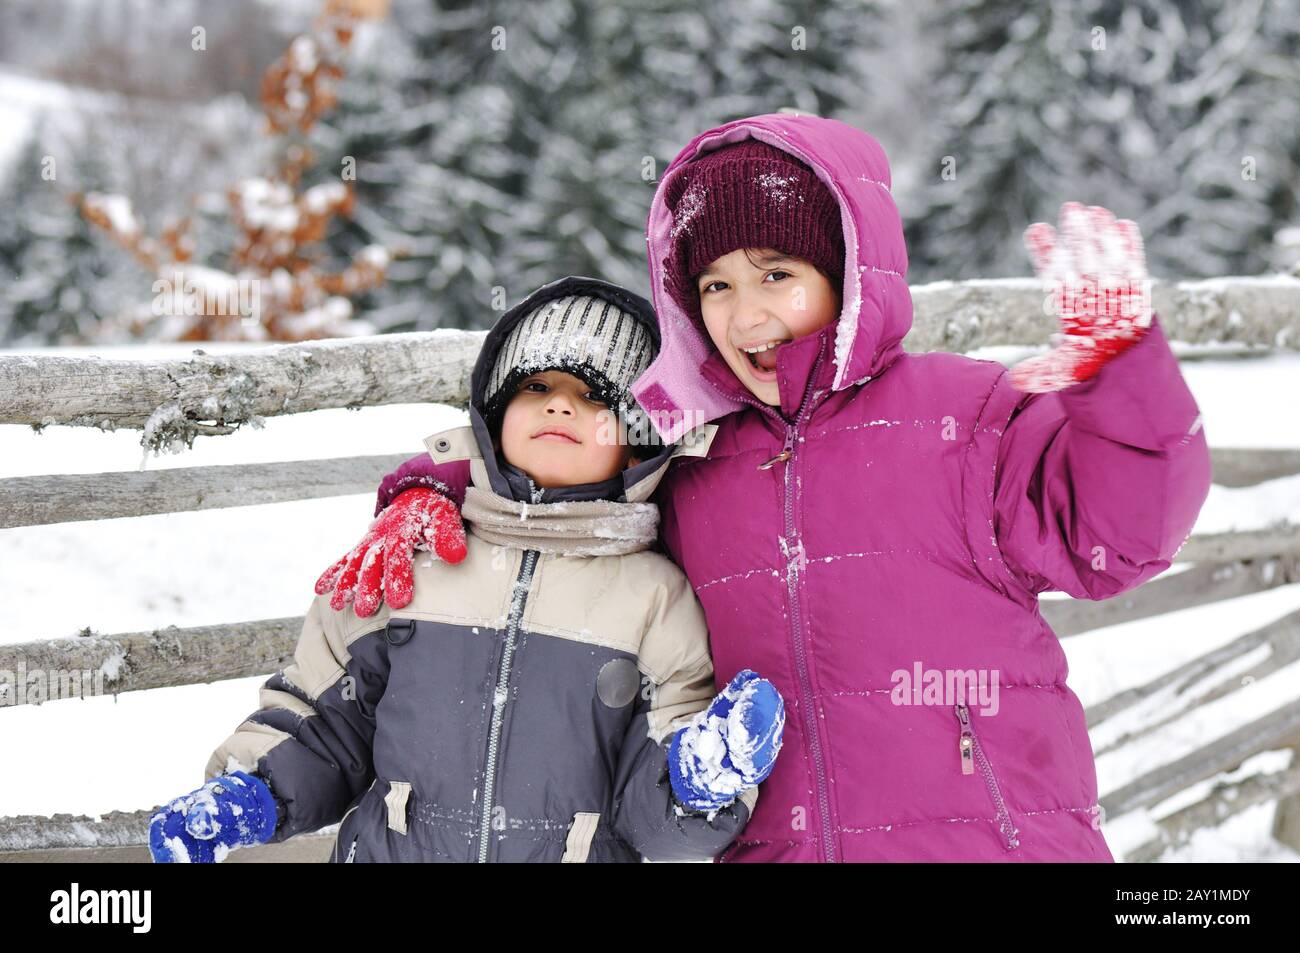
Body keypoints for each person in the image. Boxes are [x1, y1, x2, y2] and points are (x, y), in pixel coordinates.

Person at [316, 115, 1212, 861]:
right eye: (715, 284)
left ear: (847, 271)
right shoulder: (690, 450)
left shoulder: (963, 414)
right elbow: (564, 489)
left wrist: (1121, 368)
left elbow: (1118, 538)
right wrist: (431, 490)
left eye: (776, 275)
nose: (745, 316)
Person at [148, 276, 785, 863]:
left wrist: (696, 784)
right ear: (493, 413)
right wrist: (249, 792)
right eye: (536, 387)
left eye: (594, 396)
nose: (559, 406)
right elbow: (324, 714)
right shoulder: (416, 558)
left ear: (636, 438)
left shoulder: (655, 599)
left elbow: (649, 809)